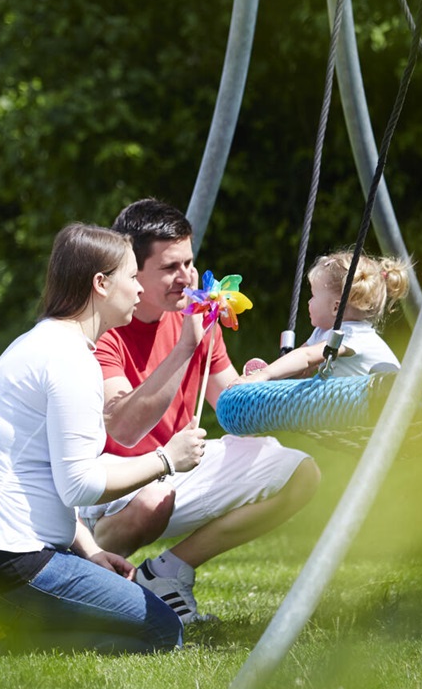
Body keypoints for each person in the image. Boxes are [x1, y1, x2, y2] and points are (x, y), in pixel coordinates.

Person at [0, 223, 207, 658]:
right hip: (5, 565)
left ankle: (1, 626)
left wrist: (90, 552)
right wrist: (167, 459)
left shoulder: (45, 344)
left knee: (148, 626)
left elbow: (53, 479)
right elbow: (81, 486)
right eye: (132, 277)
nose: (139, 290)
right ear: (101, 284)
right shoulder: (68, 360)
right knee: (164, 632)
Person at [77, 198, 321, 624]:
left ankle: (167, 572)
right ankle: (86, 564)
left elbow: (231, 410)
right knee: (153, 499)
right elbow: (126, 428)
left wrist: (264, 381)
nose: (187, 277)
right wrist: (187, 345)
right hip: (115, 484)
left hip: (181, 466)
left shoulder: (197, 317)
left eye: (189, 264)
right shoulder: (105, 327)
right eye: (171, 267)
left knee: (301, 474)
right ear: (132, 268)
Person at [244, 250, 413, 379]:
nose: (309, 302)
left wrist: (265, 374)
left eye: (313, 296)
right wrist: (269, 378)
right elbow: (300, 365)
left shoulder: (354, 335)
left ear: (336, 308)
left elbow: (307, 357)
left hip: (386, 403)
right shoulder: (322, 332)